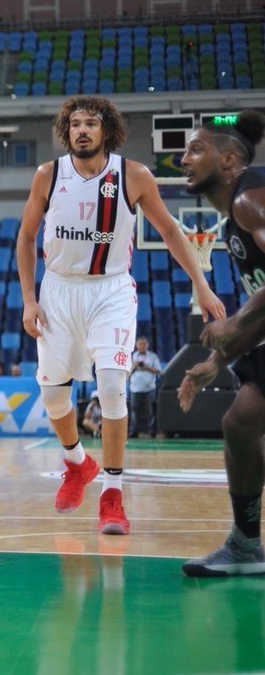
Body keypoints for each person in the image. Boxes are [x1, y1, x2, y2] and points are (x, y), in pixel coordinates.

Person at [16, 96, 224, 537]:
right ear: (66, 131)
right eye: (75, 124)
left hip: (110, 289)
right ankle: (77, 464)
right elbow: (27, 235)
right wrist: (29, 299)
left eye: (91, 123)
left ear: (106, 130)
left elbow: (169, 230)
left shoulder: (133, 175)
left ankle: (112, 494)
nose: (82, 130)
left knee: (112, 386)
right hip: (57, 290)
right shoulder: (48, 176)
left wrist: (201, 285)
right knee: (54, 398)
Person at [175, 109, 265, 577]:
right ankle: (247, 546)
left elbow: (255, 310)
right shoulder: (235, 221)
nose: (182, 159)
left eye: (195, 150)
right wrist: (217, 359)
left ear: (229, 160)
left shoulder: (252, 197)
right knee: (241, 422)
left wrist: (239, 319)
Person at [127, 336, 161, 438]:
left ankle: (152, 432)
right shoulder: (132, 356)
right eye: (140, 344)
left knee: (150, 410)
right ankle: (133, 432)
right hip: (135, 388)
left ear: (147, 346)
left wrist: (146, 367)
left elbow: (158, 371)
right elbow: (126, 372)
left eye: (144, 344)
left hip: (149, 388)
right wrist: (134, 366)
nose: (142, 346)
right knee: (134, 410)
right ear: (136, 345)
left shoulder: (153, 356)